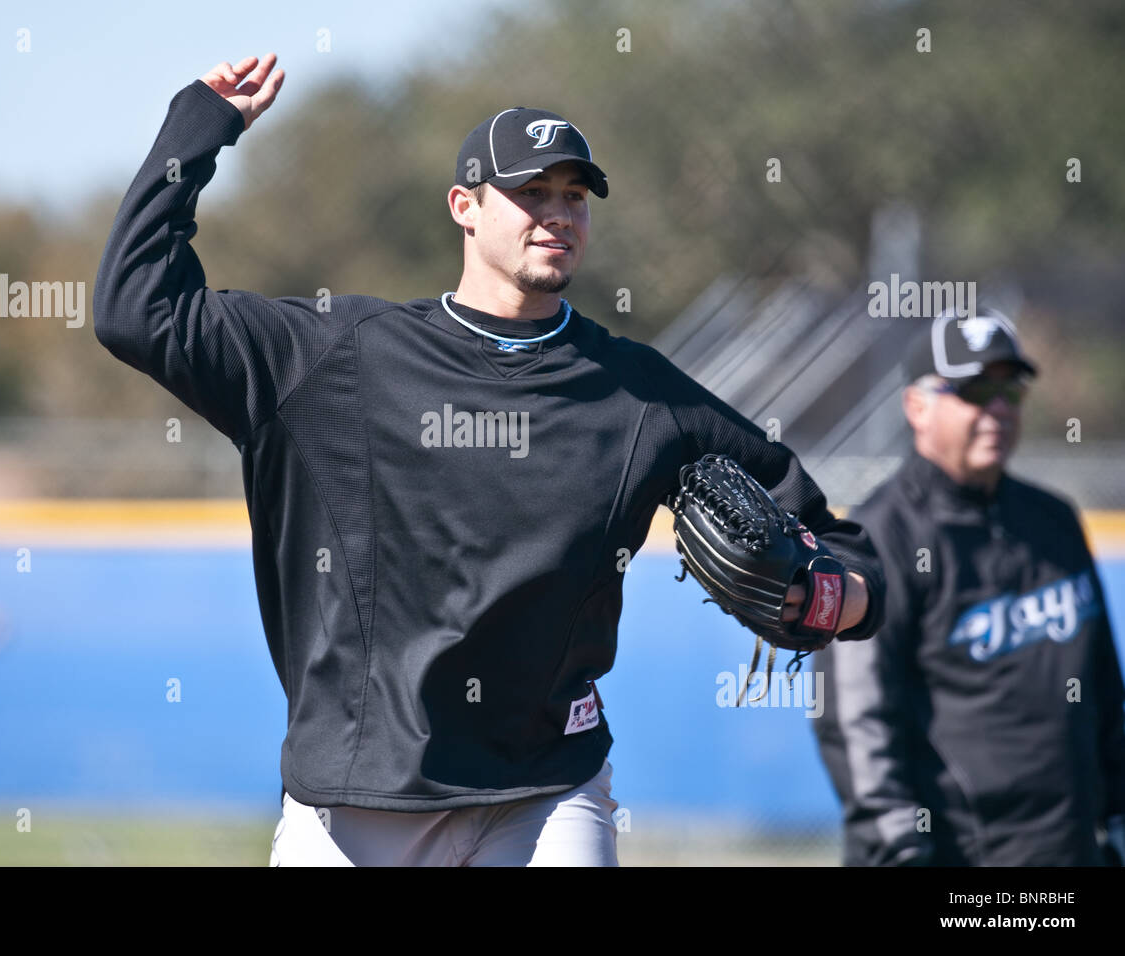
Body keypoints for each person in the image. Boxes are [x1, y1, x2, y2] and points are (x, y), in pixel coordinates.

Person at [93, 54, 885, 866]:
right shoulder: (333, 359)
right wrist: (198, 128)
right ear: (464, 207)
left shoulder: (639, 394)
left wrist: (837, 598)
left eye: (574, 196)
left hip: (547, 793)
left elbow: (836, 543)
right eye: (531, 192)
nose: (558, 214)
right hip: (357, 798)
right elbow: (136, 310)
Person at [812, 309, 1125, 866]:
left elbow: (1102, 687)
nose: (999, 408)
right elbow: (858, 719)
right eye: (974, 389)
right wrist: (901, 846)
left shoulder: (1053, 522)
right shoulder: (878, 538)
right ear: (917, 406)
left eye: (1011, 388)